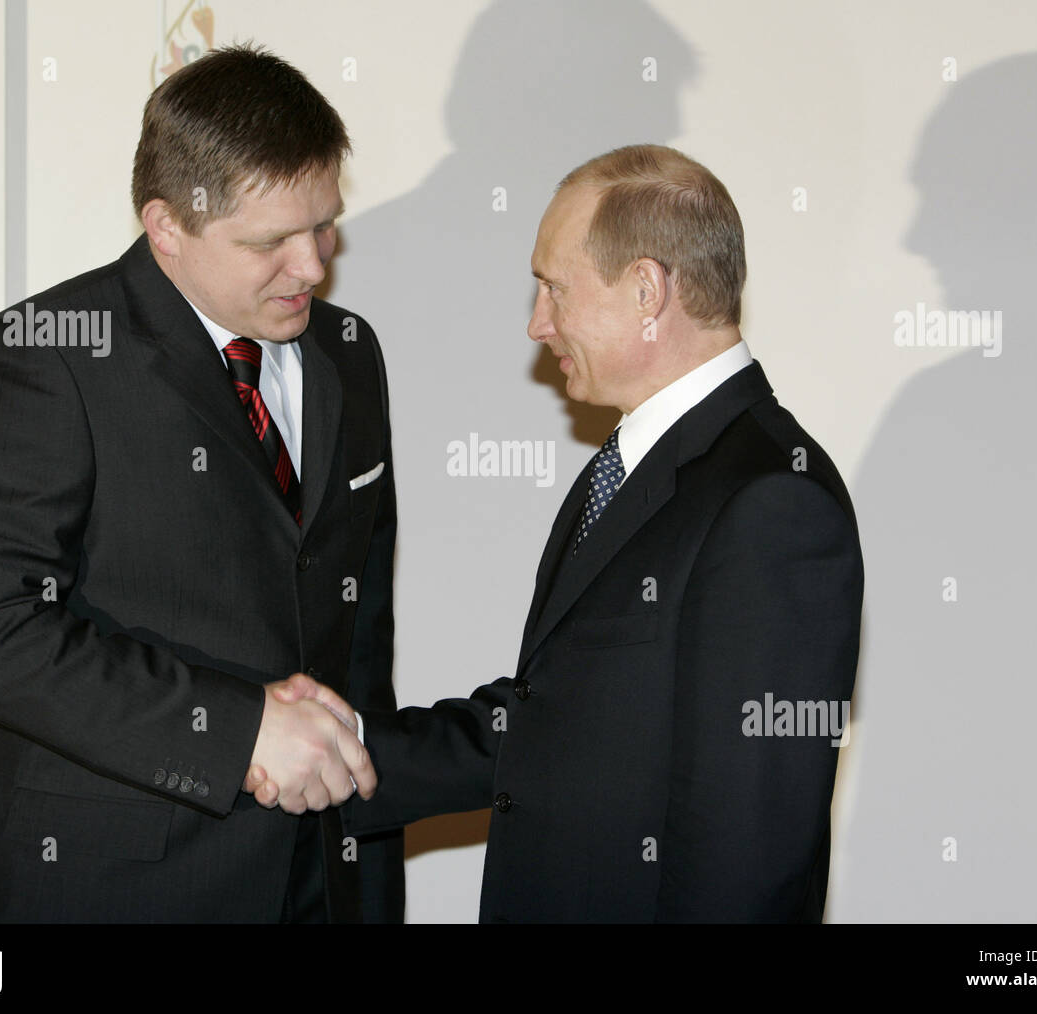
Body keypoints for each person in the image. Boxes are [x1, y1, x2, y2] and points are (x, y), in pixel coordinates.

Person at [264, 144, 864, 922]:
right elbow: (550, 718)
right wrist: (346, 749)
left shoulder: (771, 502)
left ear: (646, 290)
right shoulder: (626, 468)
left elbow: (751, 850)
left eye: (554, 288)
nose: (537, 324)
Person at [0, 44, 402, 923]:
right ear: (166, 225)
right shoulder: (44, 356)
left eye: (324, 224)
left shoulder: (351, 354)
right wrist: (239, 728)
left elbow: (358, 636)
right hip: (107, 889)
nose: (313, 267)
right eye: (270, 241)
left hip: (319, 886)